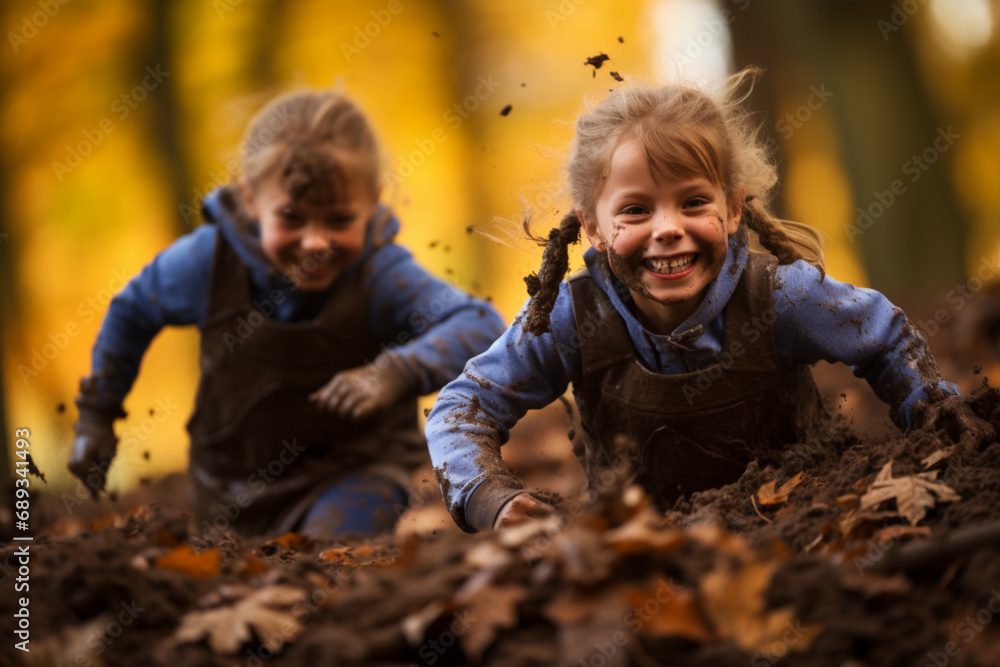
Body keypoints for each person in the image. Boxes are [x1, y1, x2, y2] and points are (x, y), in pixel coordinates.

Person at [425, 68, 994, 533]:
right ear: (593, 229)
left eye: (693, 201)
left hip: (793, 526)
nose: (667, 228)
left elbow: (883, 333)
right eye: (636, 210)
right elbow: (461, 408)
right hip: (633, 552)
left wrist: (933, 412)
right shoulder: (573, 318)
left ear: (733, 208)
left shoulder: (781, 296)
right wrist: (490, 499)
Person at [68, 89, 506, 540]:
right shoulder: (207, 262)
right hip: (226, 489)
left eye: (338, 220)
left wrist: (396, 371)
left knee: (326, 553)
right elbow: (131, 311)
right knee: (227, 579)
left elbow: (480, 325)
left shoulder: (380, 273)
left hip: (355, 473)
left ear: (373, 202)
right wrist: (97, 416)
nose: (315, 241)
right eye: (292, 218)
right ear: (251, 200)